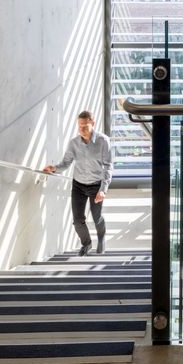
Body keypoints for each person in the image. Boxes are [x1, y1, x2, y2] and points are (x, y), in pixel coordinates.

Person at [43, 110, 113, 256]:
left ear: (92, 124)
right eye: (79, 126)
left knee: (96, 217)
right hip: (79, 185)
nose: (81, 129)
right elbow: (66, 163)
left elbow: (108, 166)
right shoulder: (73, 143)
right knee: (77, 220)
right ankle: (86, 243)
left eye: (85, 126)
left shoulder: (103, 141)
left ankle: (101, 239)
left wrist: (103, 189)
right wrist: (54, 168)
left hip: (96, 185)